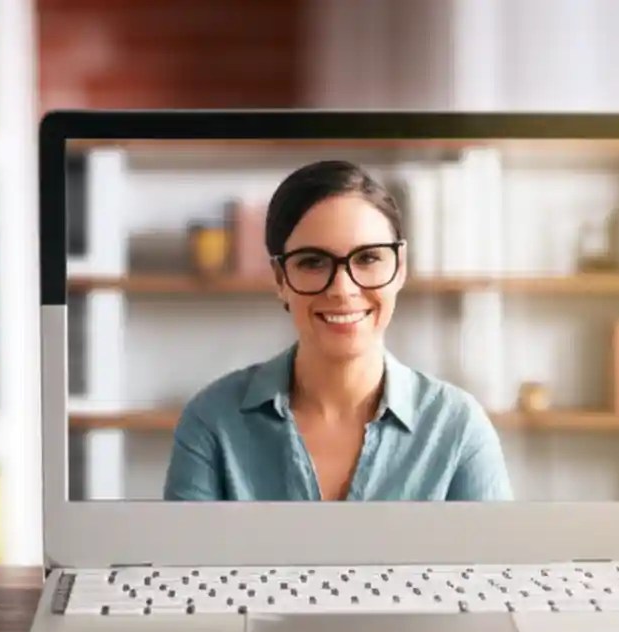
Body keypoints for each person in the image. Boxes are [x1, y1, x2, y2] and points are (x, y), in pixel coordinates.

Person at [163, 160, 512, 501]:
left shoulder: (457, 427)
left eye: (368, 258)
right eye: (313, 262)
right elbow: (180, 560)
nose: (343, 289)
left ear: (400, 267)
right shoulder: (212, 422)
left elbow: (497, 559)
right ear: (280, 279)